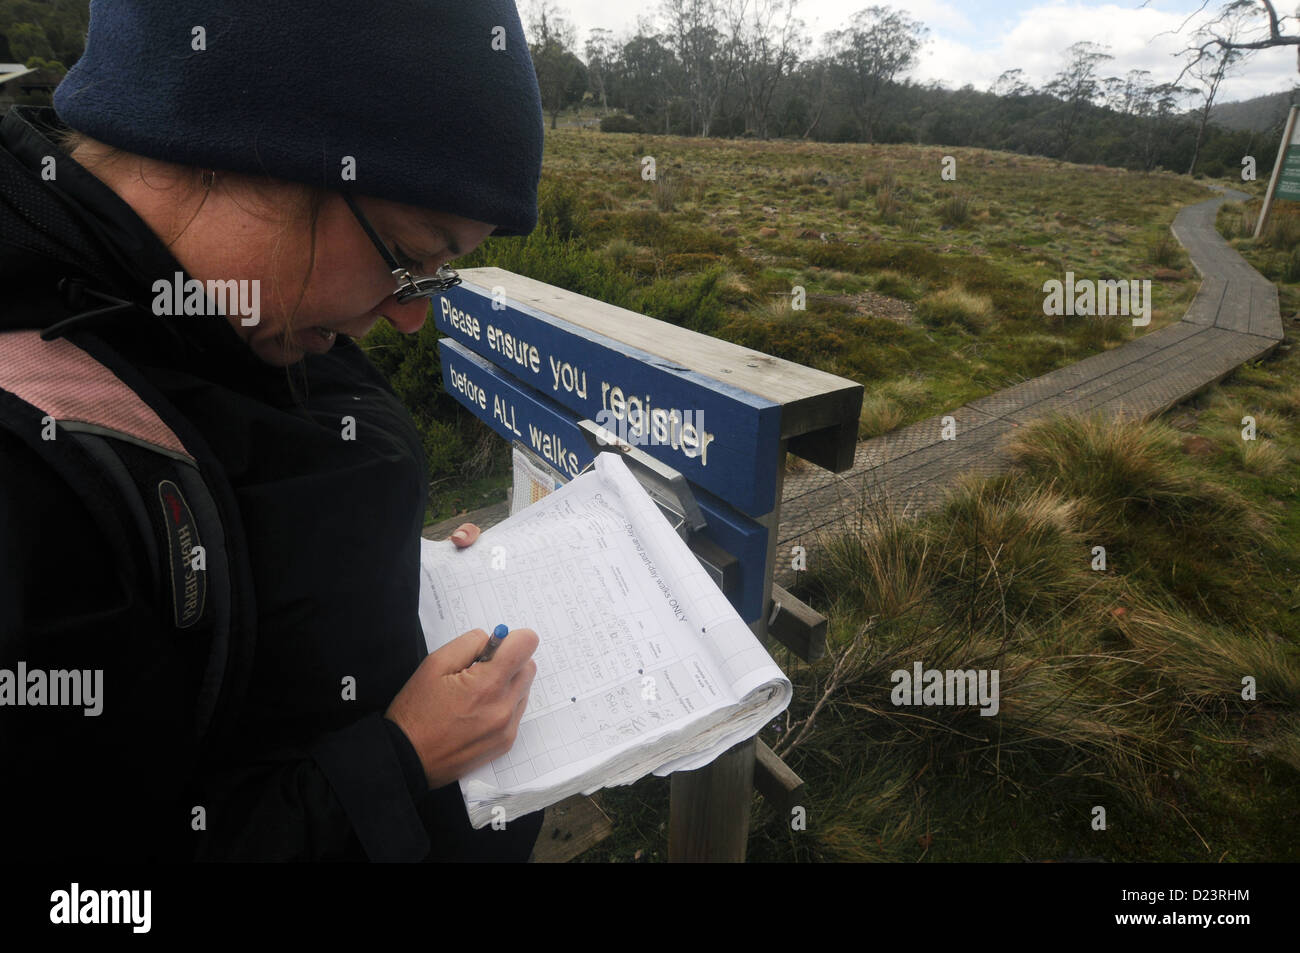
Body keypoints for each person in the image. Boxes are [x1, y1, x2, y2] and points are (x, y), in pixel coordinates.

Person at [0, 1, 546, 861]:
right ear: (239, 155)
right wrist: (394, 765)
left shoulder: (247, 320)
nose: (410, 317)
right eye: (409, 253)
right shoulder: (32, 457)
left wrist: (427, 587)